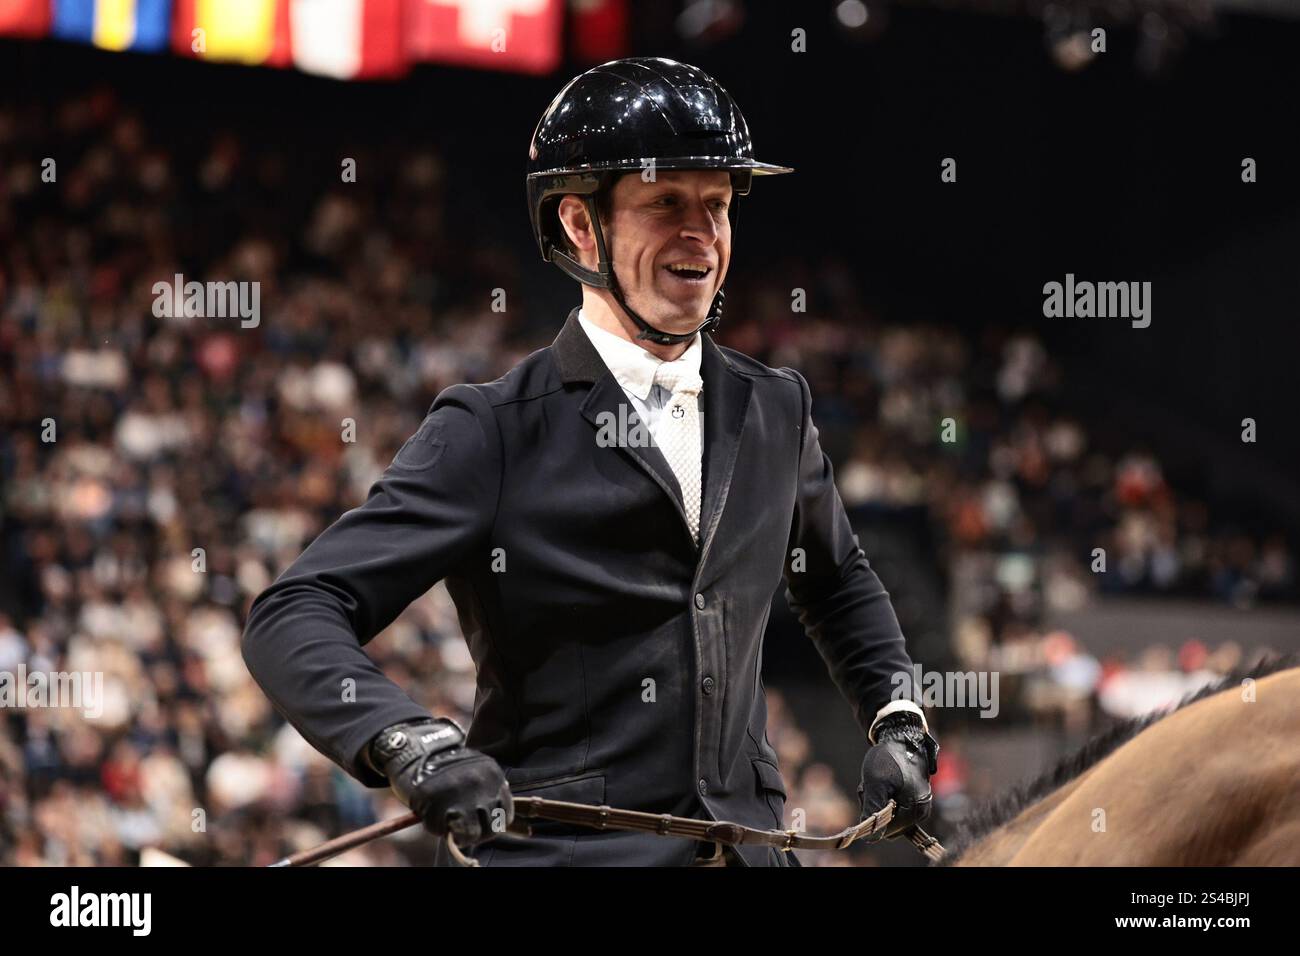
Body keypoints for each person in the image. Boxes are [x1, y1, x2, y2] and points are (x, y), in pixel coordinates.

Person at [242, 56, 937, 867]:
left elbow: (839, 582)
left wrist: (898, 717)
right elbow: (295, 611)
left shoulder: (777, 406)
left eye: (716, 206)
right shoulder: (491, 429)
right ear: (580, 226)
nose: (703, 236)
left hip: (753, 851)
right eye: (665, 204)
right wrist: (407, 743)